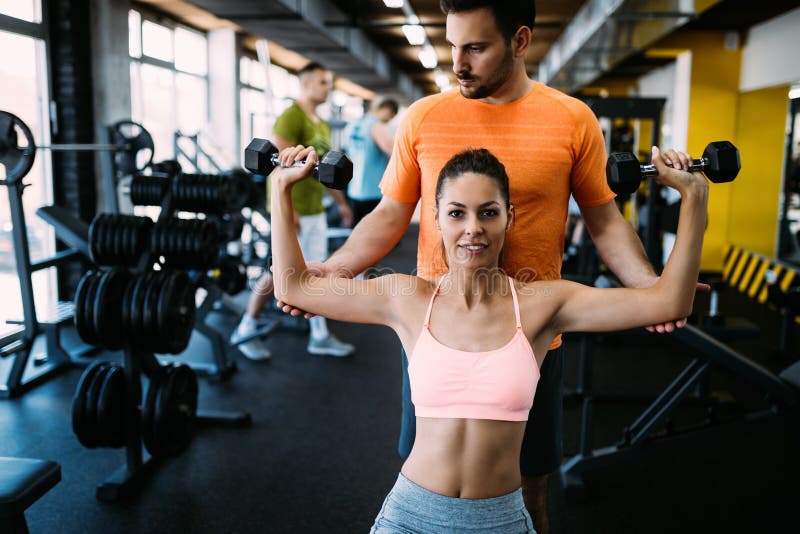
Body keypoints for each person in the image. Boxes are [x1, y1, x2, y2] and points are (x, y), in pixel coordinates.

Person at [276, 3, 702, 531]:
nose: (458, 63)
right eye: (452, 46)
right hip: (437, 332)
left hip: (534, 337)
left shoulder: (571, 119)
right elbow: (390, 215)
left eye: (475, 48)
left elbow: (604, 221)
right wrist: (337, 272)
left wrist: (648, 290)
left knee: (531, 495)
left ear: (520, 41)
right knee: (431, 472)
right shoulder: (425, 117)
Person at [231, 62, 355, 361]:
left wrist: (340, 203)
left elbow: (322, 169)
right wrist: (288, 214)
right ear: (307, 84)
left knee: (311, 270)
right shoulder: (292, 117)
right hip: (294, 209)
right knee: (280, 272)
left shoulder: (321, 123)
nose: (328, 88)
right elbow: (278, 166)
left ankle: (318, 335)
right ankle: (246, 328)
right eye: (323, 82)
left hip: (315, 209)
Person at [347, 97, 400, 226]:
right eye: (391, 116)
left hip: (354, 189)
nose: (389, 120)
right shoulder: (376, 126)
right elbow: (396, 152)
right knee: (376, 238)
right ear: (387, 109)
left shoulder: (353, 125)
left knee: (359, 234)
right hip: (373, 191)